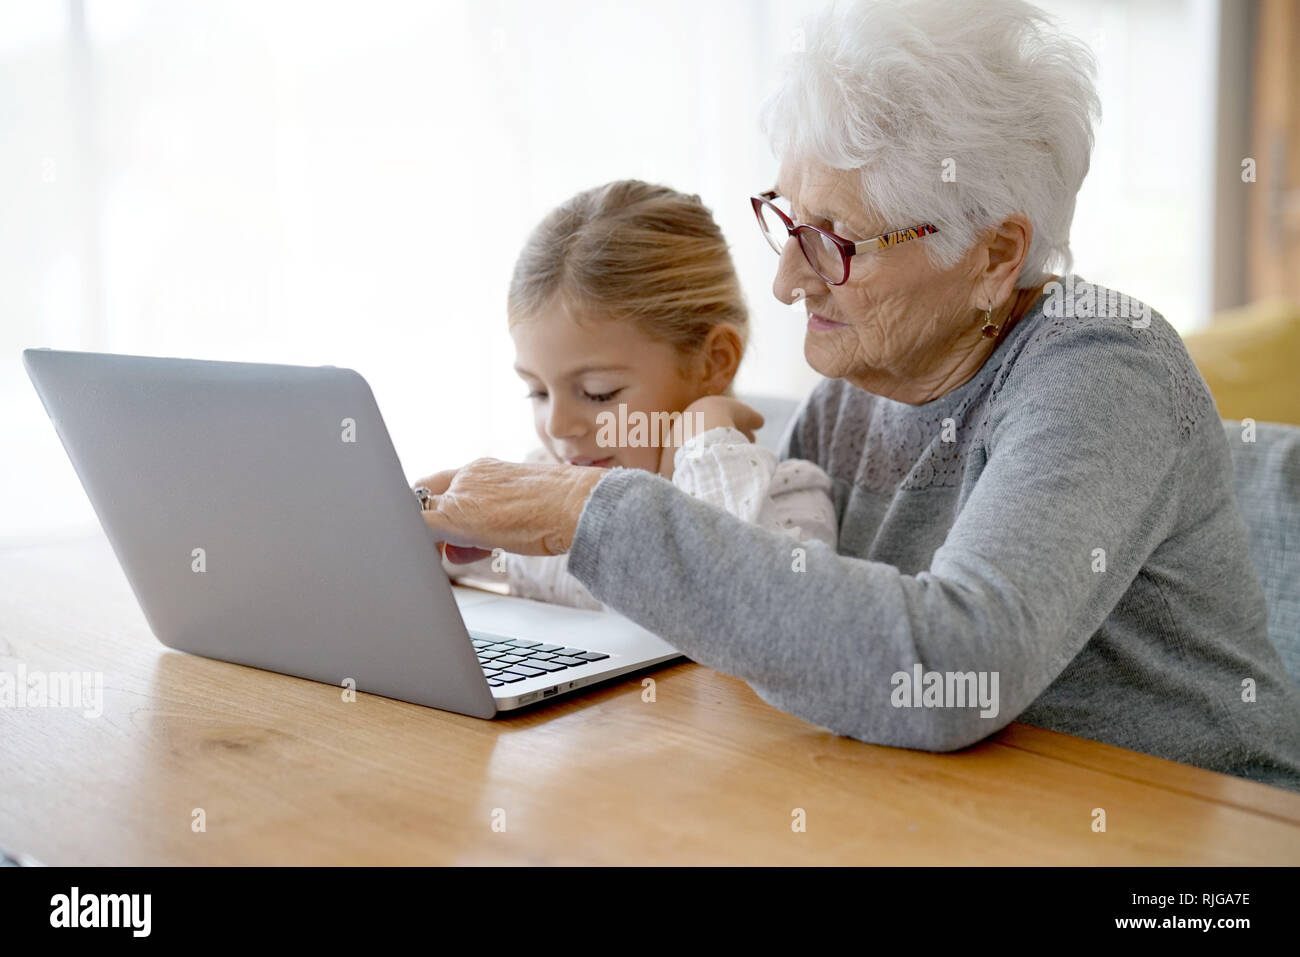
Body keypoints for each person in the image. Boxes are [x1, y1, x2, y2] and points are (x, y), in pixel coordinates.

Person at [416, 0, 1300, 791]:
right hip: (951, 805)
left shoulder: (1105, 366)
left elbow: (958, 665)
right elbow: (785, 616)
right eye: (786, 221)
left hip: (1198, 827)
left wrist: (588, 511)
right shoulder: (863, 381)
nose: (787, 281)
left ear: (993, 255)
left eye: (835, 240)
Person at [437, 179, 837, 610]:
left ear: (713, 362)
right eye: (537, 393)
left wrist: (703, 438)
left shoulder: (786, 498)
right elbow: (430, 565)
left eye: (597, 393)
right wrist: (422, 522)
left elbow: (761, 613)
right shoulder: (542, 498)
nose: (557, 426)